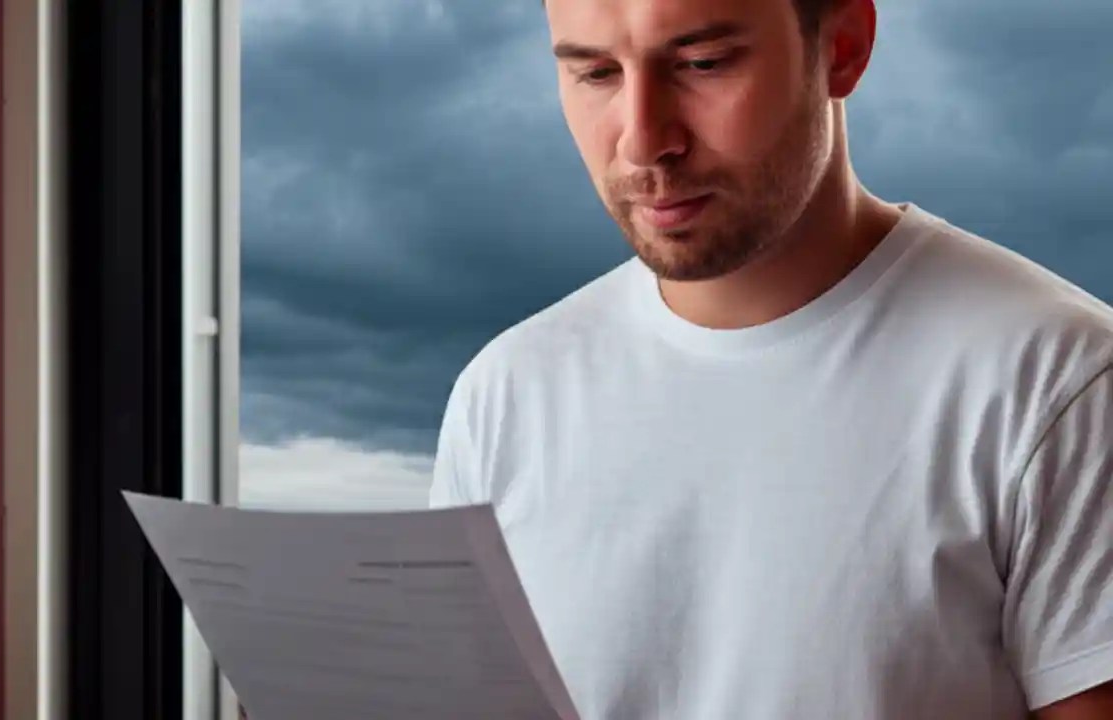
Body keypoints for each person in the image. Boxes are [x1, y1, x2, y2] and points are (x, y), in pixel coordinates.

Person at [428, 0, 1113, 718]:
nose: (643, 141)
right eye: (596, 73)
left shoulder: (1059, 386)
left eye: (702, 64)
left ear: (842, 47)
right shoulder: (502, 397)